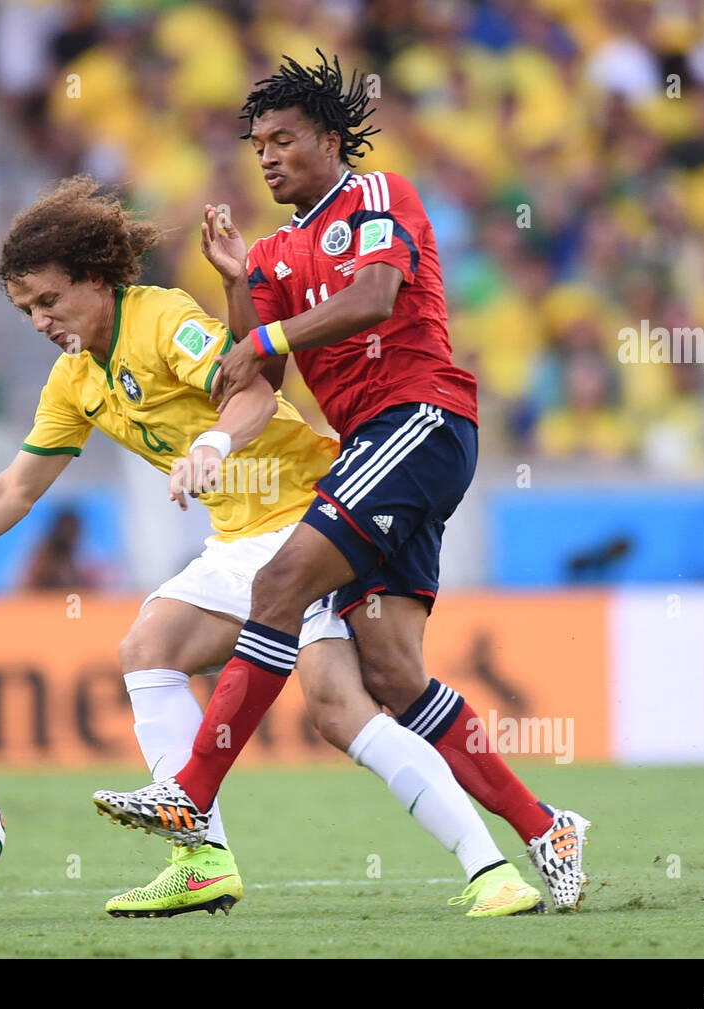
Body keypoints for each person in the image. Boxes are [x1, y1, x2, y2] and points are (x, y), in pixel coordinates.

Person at [0, 176, 544, 918]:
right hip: (239, 539)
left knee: (339, 704)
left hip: (310, 515)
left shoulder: (162, 320)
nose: (42, 321)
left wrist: (213, 441)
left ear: (96, 279)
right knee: (148, 645)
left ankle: (491, 869)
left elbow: (252, 390)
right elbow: (13, 490)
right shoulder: (73, 379)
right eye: (26, 311)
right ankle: (201, 857)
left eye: (50, 300)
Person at [94, 53, 591, 911]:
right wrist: (235, 285)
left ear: (331, 138)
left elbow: (370, 297)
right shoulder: (279, 250)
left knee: (281, 579)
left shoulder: (377, 196)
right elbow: (256, 380)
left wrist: (268, 339)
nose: (269, 156)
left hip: (421, 421)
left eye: (285, 139)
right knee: (395, 677)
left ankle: (193, 791)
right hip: (371, 447)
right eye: (258, 146)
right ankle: (547, 828)